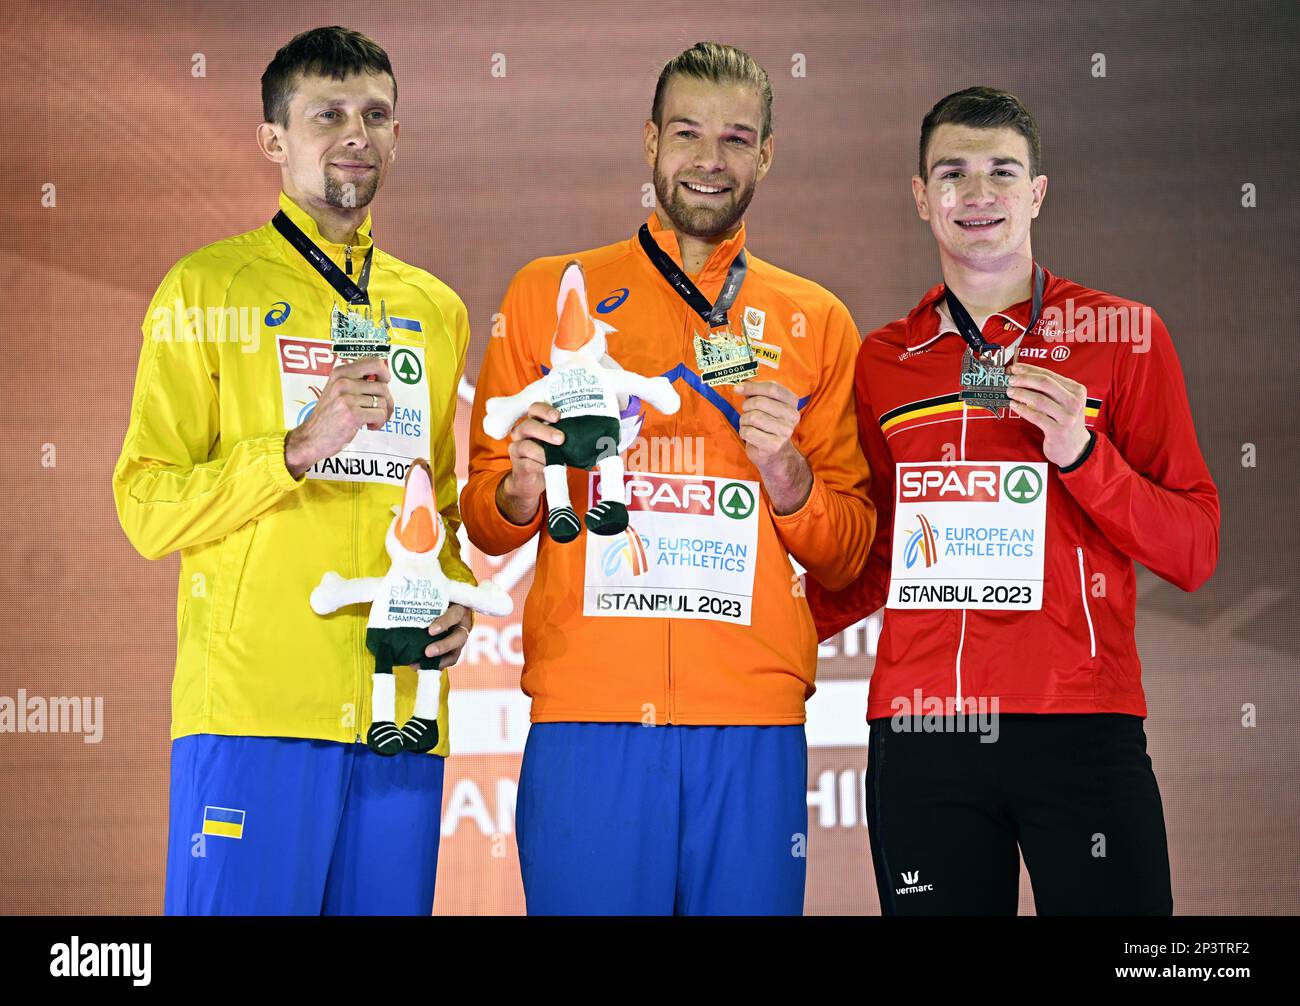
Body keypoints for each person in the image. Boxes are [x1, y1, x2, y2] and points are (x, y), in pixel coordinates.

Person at [462, 41, 873, 915]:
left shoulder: (817, 319)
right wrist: (523, 488)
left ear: (766, 155)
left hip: (751, 726)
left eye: (735, 139)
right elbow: (487, 519)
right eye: (687, 133)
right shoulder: (549, 292)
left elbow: (848, 553)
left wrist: (791, 477)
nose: (708, 160)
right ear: (650, 141)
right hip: (590, 719)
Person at [806, 86, 1220, 915]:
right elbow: (876, 552)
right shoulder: (883, 359)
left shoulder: (1124, 336)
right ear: (922, 197)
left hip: (1080, 722)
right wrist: (758, 619)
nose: (979, 194)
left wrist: (1083, 456)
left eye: (1003, 172)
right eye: (952, 174)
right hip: (925, 735)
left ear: (1037, 192)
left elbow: (1194, 549)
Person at [112, 26, 475, 915]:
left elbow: (442, 501)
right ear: (275, 140)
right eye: (328, 115)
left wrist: (456, 588)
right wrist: (289, 452)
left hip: (402, 718)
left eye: (375, 114)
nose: (356, 133)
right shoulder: (205, 290)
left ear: (397, 135)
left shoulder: (433, 308)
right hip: (253, 717)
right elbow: (145, 503)